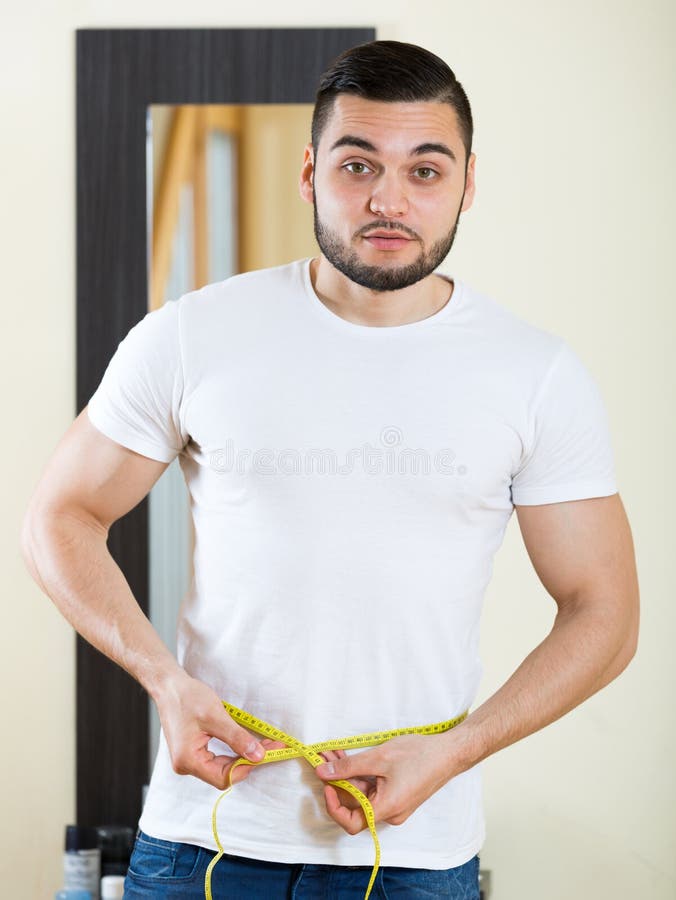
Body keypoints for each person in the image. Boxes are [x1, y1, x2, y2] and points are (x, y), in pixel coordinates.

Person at [21, 39, 639, 900]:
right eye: (359, 165)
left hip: (415, 855)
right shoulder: (193, 334)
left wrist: (454, 751)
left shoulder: (536, 374)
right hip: (202, 840)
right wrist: (164, 680)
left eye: (426, 170)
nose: (388, 199)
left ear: (468, 183)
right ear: (310, 173)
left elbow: (604, 612)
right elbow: (61, 514)